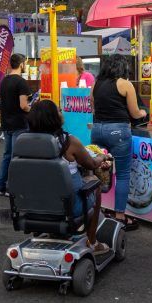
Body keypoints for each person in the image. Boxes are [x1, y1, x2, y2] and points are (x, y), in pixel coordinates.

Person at [26, 100, 113, 253]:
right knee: (95, 184)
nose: (61, 113)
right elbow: (92, 164)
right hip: (68, 207)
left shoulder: (24, 142)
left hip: (32, 206)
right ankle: (92, 242)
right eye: (58, 111)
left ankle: (51, 232)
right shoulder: (68, 141)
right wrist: (103, 158)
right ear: (53, 118)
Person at [90, 54, 146, 231]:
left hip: (97, 129)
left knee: (98, 173)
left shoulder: (96, 84)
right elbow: (135, 113)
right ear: (123, 67)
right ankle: (120, 216)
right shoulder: (125, 84)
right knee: (122, 175)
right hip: (118, 132)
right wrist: (144, 113)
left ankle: (97, 210)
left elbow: (93, 107)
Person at [0, 53, 31, 196]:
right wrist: (32, 108)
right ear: (22, 64)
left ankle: (0, 186)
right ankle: (11, 188)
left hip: (7, 123)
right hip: (19, 123)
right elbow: (23, 106)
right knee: (16, 156)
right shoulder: (21, 82)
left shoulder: (4, 81)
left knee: (7, 155)